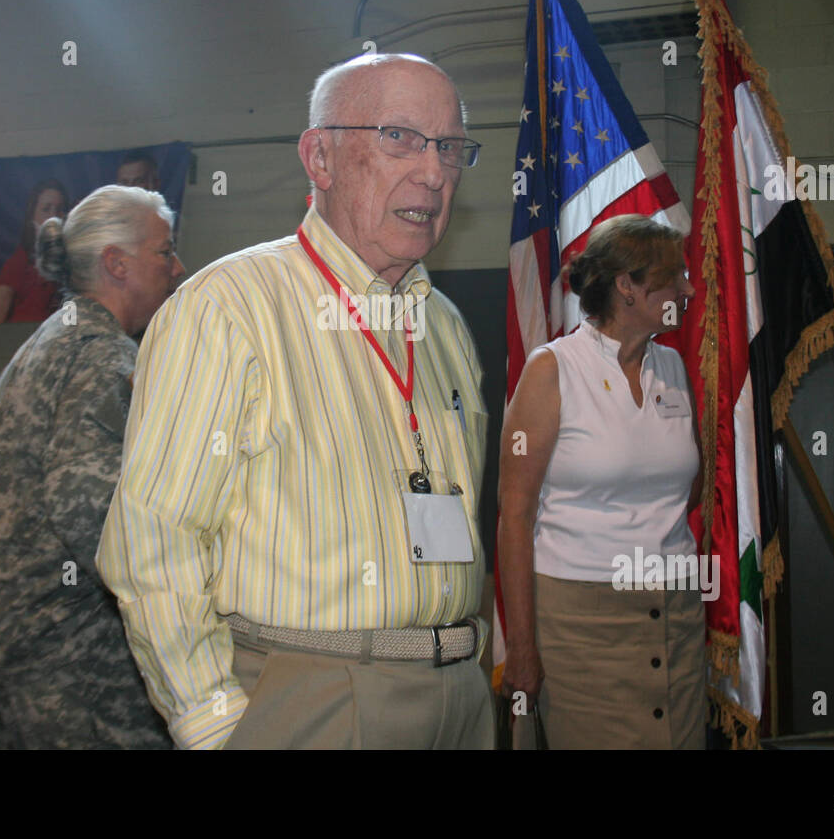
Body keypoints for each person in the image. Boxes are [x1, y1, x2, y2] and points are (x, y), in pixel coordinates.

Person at [97, 53, 492, 750]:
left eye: (450, 147)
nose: (433, 173)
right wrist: (215, 724)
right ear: (321, 157)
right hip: (314, 700)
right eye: (399, 138)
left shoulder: (445, 328)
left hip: (458, 695)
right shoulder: (228, 309)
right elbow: (152, 538)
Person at [0, 184, 186, 748]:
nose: (177, 267)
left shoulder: (46, 342)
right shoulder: (102, 356)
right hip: (82, 661)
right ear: (117, 263)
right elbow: (92, 512)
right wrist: (183, 602)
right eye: (164, 251)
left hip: (31, 646)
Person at [497, 213, 704, 749]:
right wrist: (521, 649)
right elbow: (514, 517)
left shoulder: (675, 368)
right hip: (580, 628)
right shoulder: (552, 370)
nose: (689, 286)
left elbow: (689, 491)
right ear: (628, 287)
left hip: (676, 616)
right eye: (675, 276)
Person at [0, 178, 68, 324]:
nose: (53, 216)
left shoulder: (70, 263)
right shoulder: (20, 261)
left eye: (59, 210)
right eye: (46, 209)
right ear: (32, 214)